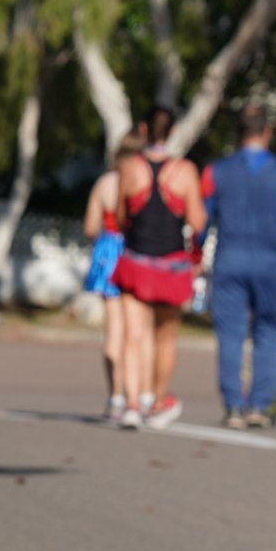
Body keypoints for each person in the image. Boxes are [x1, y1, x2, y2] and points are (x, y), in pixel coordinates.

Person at [201, 103, 276, 429]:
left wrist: (195, 258)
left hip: (229, 260)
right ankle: (258, 407)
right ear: (267, 131)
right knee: (266, 330)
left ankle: (234, 406)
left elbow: (200, 221)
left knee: (230, 334)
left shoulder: (216, 172)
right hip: (268, 262)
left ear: (238, 132)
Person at [111, 105, 205, 430]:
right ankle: (157, 400)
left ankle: (133, 404)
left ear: (143, 130)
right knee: (165, 339)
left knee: (132, 337)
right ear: (174, 132)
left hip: (135, 262)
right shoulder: (186, 171)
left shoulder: (128, 168)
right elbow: (197, 220)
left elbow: (122, 215)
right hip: (172, 267)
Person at [82, 132, 142, 424]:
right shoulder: (141, 181)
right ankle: (136, 395)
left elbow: (91, 227)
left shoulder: (104, 183)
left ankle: (115, 396)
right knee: (135, 330)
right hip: (132, 252)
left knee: (113, 330)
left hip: (107, 253)